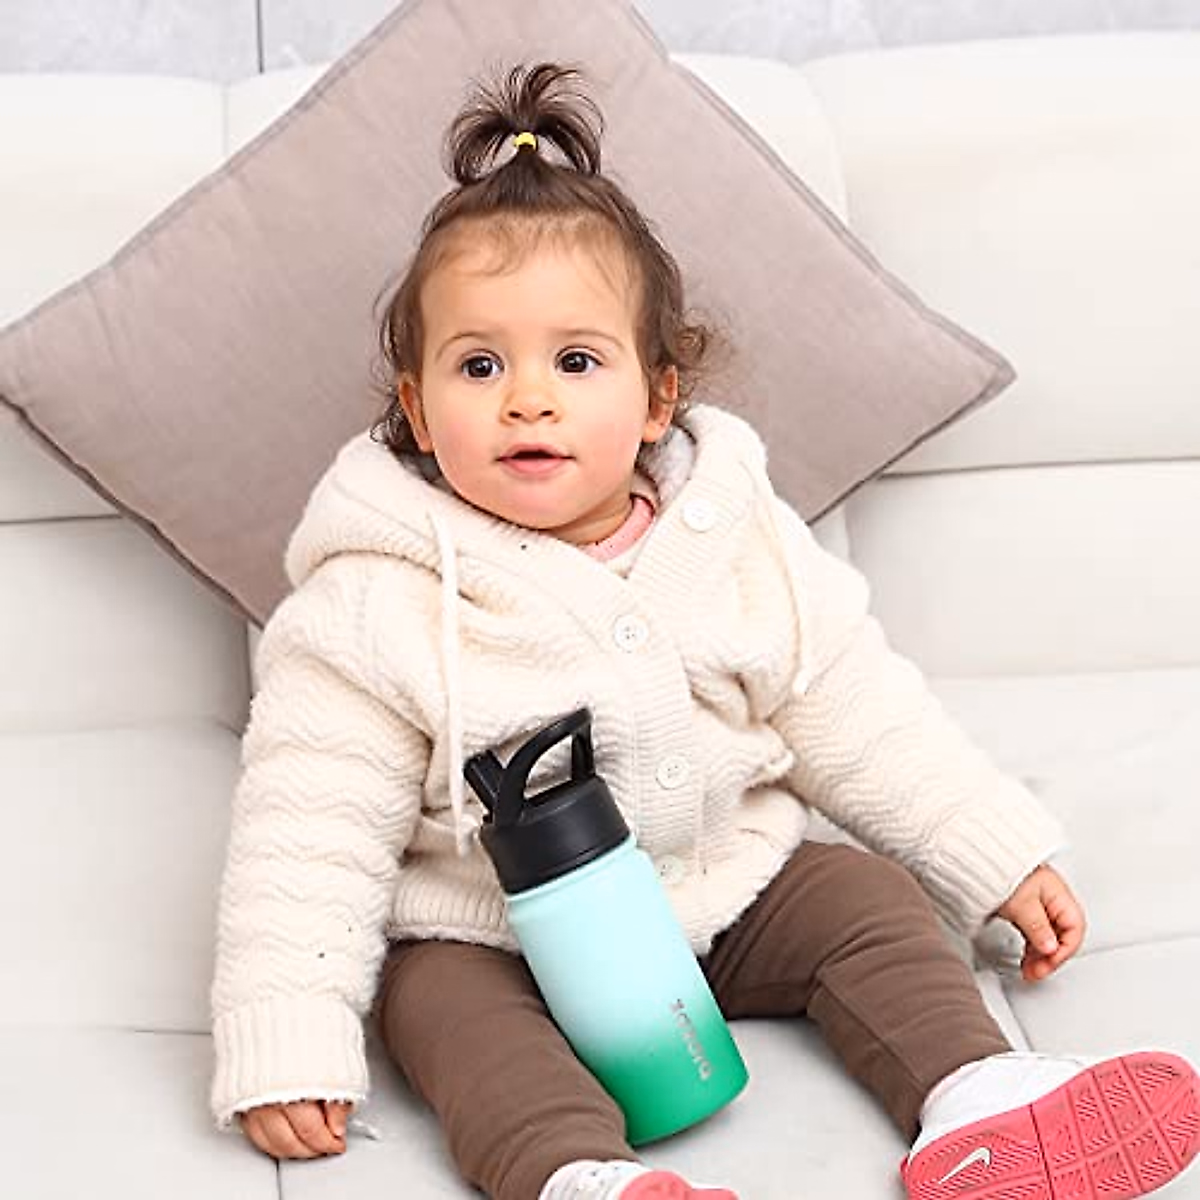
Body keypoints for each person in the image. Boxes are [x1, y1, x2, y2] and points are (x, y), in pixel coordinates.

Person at [210, 62, 1199, 1200]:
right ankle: (581, 1175)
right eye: (480, 366)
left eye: (576, 361)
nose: (528, 397)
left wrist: (991, 851)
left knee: (867, 902)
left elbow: (850, 705)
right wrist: (286, 1031)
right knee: (443, 1010)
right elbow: (307, 827)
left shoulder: (733, 535)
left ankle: (979, 1095)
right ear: (420, 410)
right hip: (494, 935)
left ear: (657, 399)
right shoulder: (374, 599)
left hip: (728, 883)